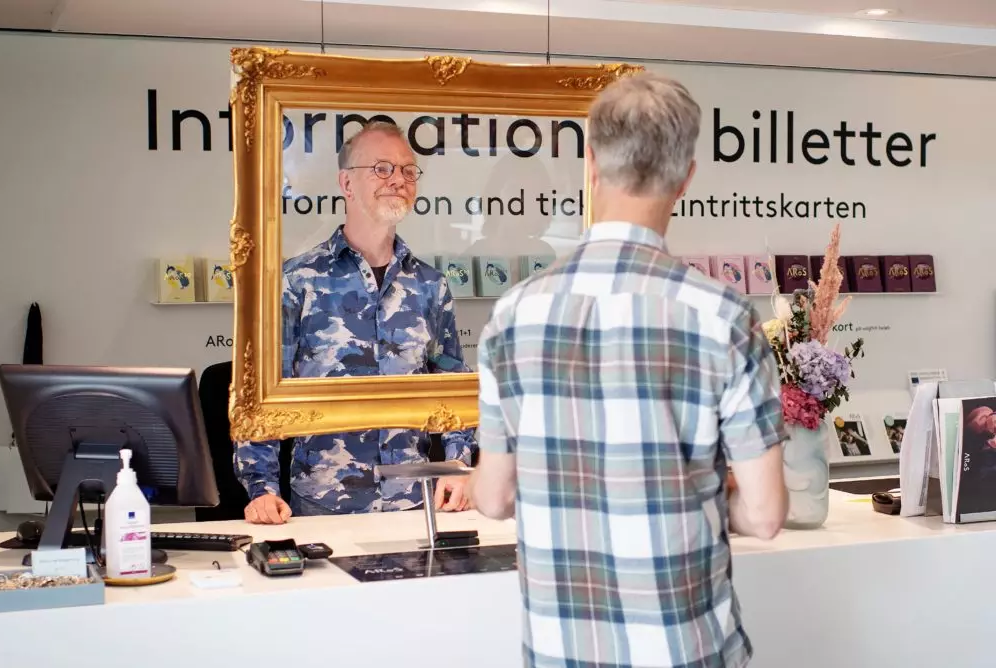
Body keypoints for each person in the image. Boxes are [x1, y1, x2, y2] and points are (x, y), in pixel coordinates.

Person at [469, 72, 789, 668]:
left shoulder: (512, 314)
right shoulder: (722, 317)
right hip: (685, 646)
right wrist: (701, 499)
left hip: (558, 650)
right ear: (686, 177)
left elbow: (491, 497)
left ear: (590, 162)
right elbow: (767, 515)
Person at [235, 120, 477, 524]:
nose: (398, 179)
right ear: (347, 184)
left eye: (407, 170)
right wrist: (261, 489)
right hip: (321, 504)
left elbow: (452, 386)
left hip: (414, 504)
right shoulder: (298, 282)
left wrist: (458, 464)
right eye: (382, 168)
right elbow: (262, 396)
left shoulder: (430, 286)